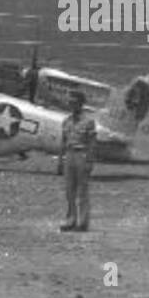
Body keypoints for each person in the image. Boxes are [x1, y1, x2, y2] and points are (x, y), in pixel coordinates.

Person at [59, 92, 97, 232]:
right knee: (69, 191)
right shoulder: (66, 121)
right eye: (71, 102)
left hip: (81, 154)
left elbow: (92, 143)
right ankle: (71, 219)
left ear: (81, 104)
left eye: (75, 102)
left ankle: (82, 221)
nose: (72, 104)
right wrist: (60, 160)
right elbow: (63, 141)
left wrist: (89, 161)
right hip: (69, 154)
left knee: (82, 190)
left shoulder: (88, 122)